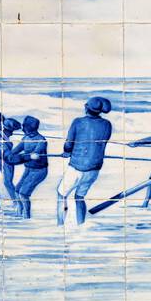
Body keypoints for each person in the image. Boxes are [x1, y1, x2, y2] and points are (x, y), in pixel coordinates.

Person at [57, 96, 113, 226]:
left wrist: (66, 152)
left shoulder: (78, 122)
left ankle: (60, 226)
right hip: (94, 169)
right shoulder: (107, 124)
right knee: (79, 197)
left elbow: (69, 143)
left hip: (77, 167)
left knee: (61, 195)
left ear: (87, 108)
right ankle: (81, 225)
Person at [9, 115, 48, 218]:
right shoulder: (25, 138)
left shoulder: (41, 140)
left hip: (39, 171)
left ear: (28, 127)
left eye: (24, 126)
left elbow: (34, 155)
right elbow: (15, 150)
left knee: (23, 193)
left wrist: (28, 156)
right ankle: (19, 213)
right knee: (17, 190)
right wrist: (7, 154)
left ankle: (26, 216)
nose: (23, 129)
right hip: (28, 169)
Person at [0, 117, 22, 209]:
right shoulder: (1, 136)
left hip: (6, 161)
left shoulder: (5, 139)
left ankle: (16, 202)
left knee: (7, 182)